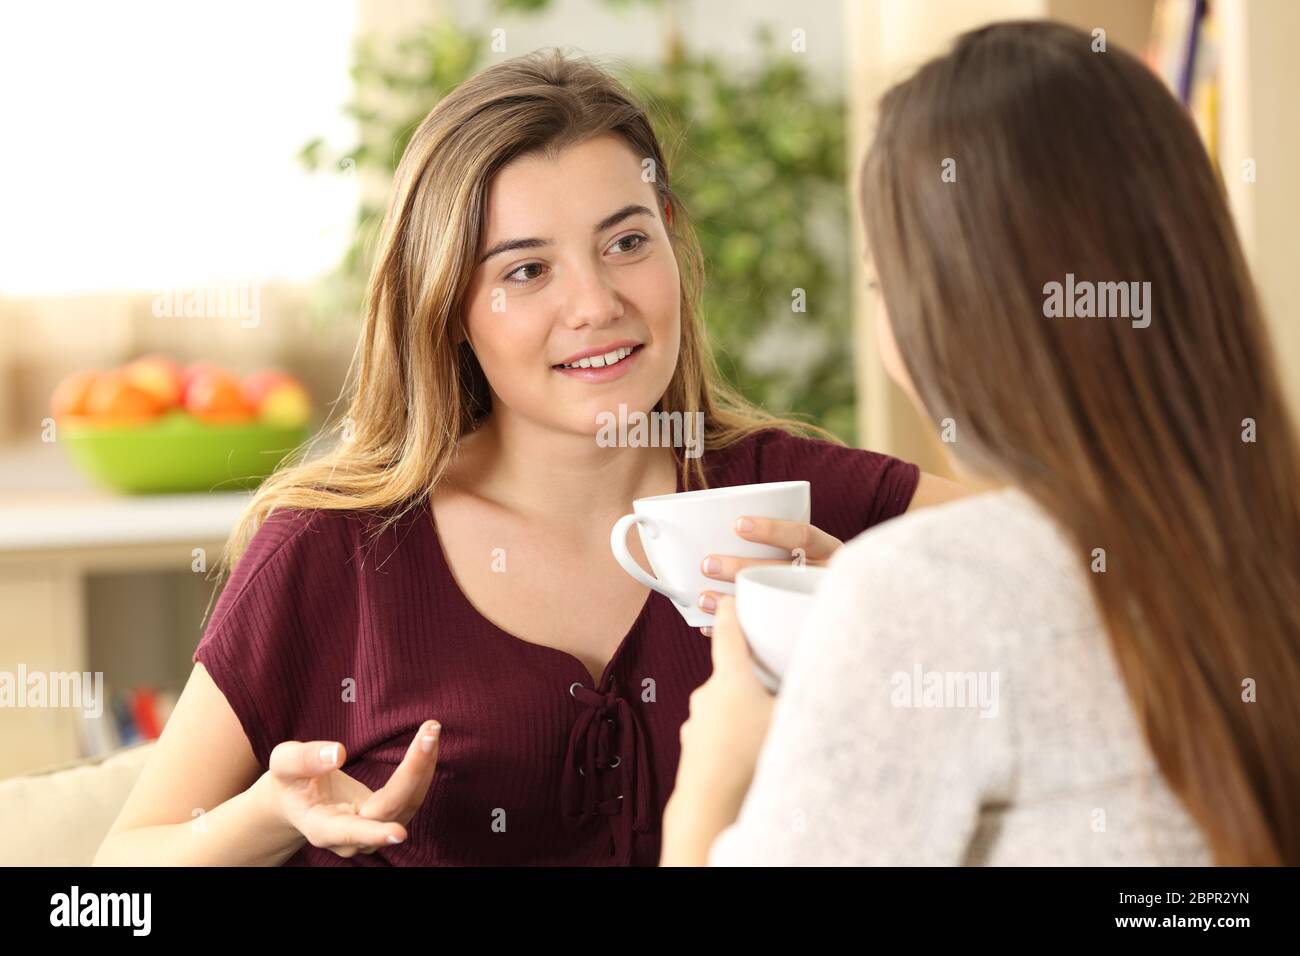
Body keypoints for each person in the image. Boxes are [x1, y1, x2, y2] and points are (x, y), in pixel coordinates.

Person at [93, 50, 962, 867]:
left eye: (627, 243)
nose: (596, 303)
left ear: (672, 243)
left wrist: (890, 614)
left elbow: (1082, 560)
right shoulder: (334, 551)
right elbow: (115, 876)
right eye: (525, 270)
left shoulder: (799, 502)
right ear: (448, 306)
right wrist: (266, 816)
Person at [663, 20, 1300, 867]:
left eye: (882, 282)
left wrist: (712, 777)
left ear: (952, 309)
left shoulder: (932, 590)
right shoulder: (1261, 548)